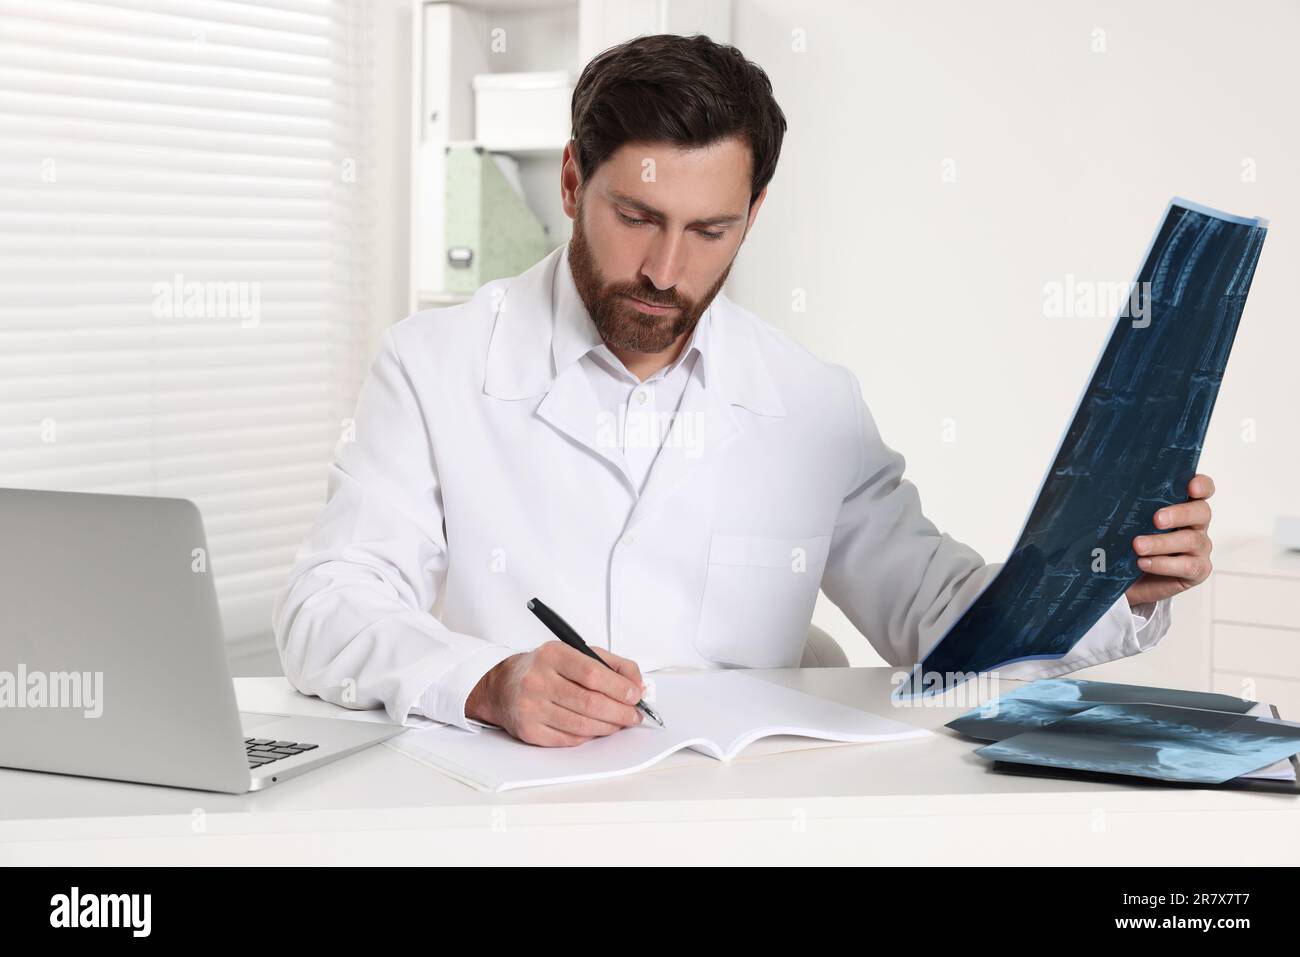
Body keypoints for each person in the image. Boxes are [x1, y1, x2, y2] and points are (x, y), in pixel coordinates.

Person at [273, 34, 1212, 748]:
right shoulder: (434, 364)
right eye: (637, 217)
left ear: (754, 213)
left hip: (740, 822)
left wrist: (1109, 582)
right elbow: (329, 606)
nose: (665, 269)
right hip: (511, 813)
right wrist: (484, 680)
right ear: (571, 181)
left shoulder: (810, 402)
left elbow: (949, 626)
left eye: (711, 229)